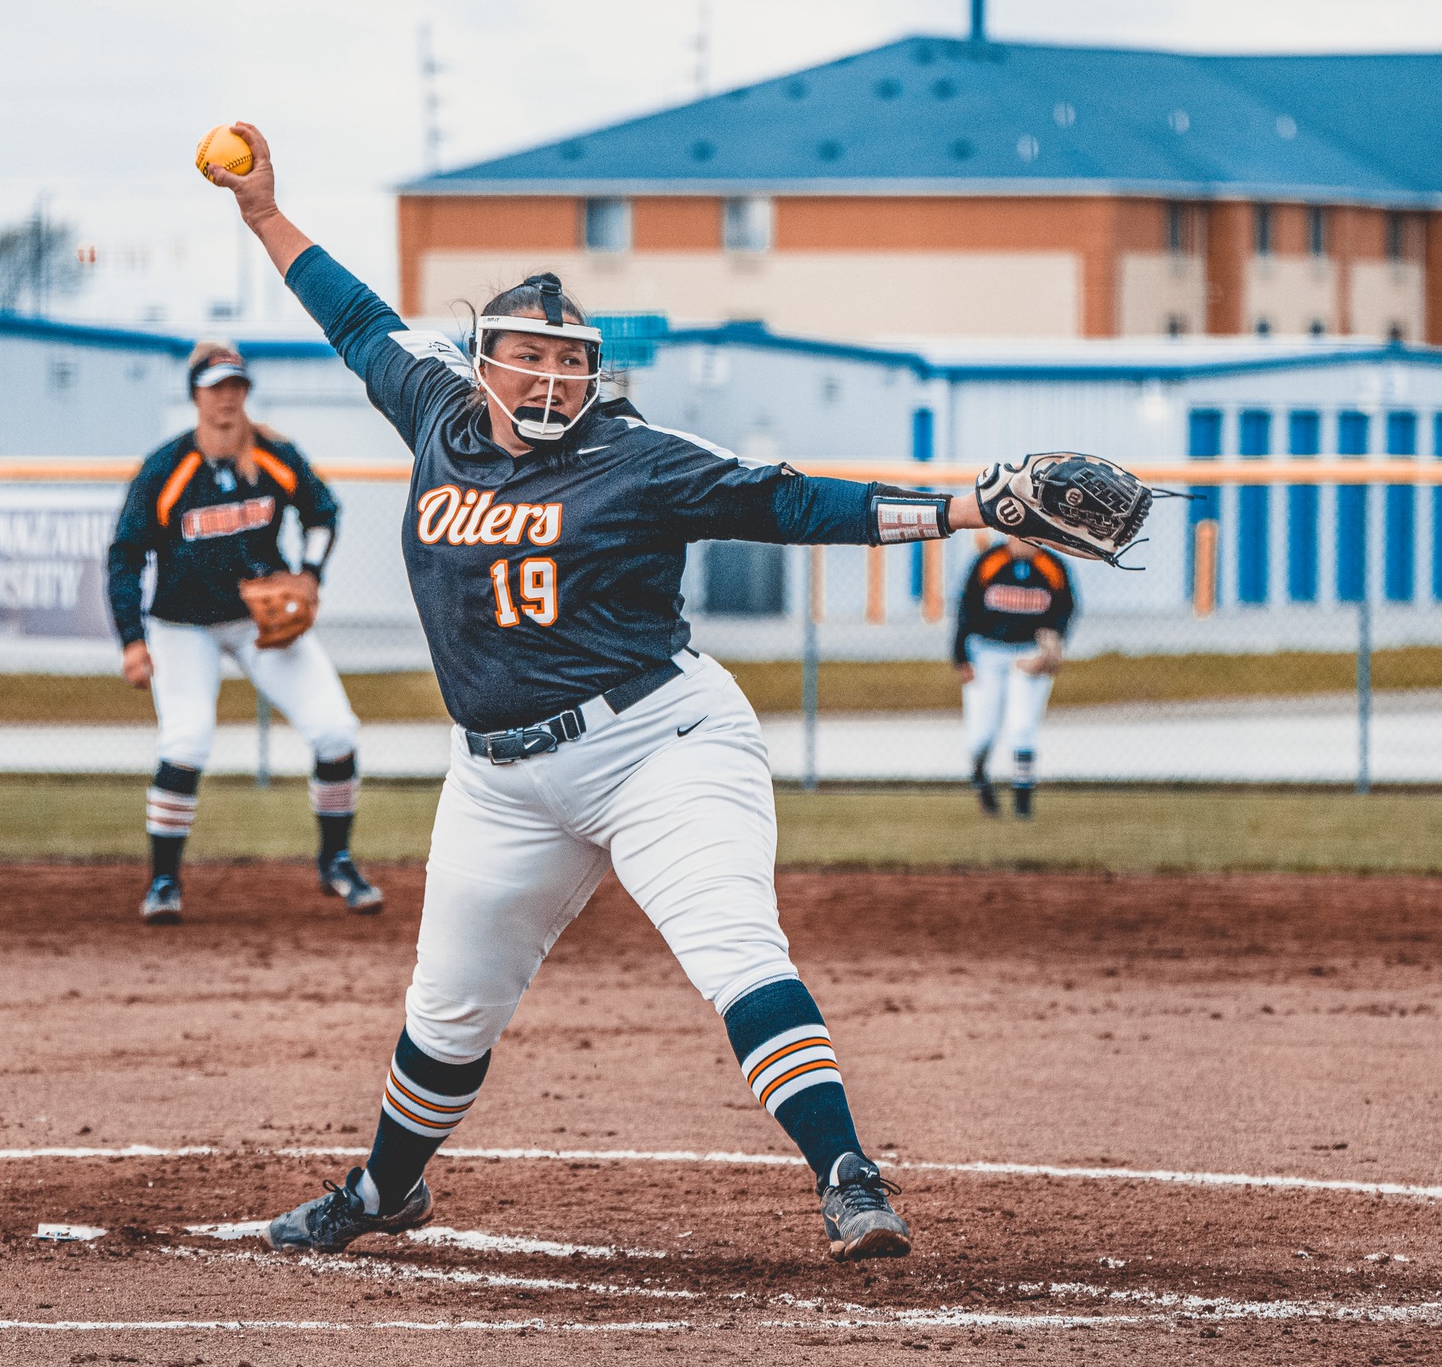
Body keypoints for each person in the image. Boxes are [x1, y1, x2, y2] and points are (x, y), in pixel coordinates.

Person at [198, 122, 1144, 1263]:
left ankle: (848, 1175)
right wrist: (261, 214)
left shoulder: (635, 455)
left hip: (659, 744)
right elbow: (353, 316)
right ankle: (384, 1191)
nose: (550, 377)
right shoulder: (437, 412)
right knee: (448, 1010)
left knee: (736, 949)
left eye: (569, 360)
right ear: (482, 359)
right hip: (499, 777)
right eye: (526, 357)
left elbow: (789, 503)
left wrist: (966, 508)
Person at [106, 342, 383, 923]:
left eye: (236, 386)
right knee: (186, 741)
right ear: (196, 396)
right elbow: (125, 556)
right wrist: (132, 640)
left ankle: (336, 861)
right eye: (216, 387)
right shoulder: (166, 467)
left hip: (261, 623)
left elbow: (324, 513)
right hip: (182, 625)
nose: (227, 397)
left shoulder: (276, 454)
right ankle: (163, 881)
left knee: (335, 730)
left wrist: (309, 575)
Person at [953, 536, 1077, 819]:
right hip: (986, 651)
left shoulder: (1051, 564)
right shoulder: (990, 561)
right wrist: (961, 657)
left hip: (1028, 654)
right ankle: (982, 783)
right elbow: (965, 608)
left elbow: (1066, 609)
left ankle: (1023, 806)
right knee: (980, 732)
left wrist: (1052, 648)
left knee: (1022, 726)